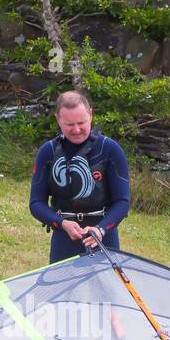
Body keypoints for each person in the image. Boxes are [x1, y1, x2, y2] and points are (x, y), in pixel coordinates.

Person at [29, 90, 131, 264]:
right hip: (64, 238)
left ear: (91, 115)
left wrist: (101, 229)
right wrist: (61, 224)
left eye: (81, 122)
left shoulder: (110, 149)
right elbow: (36, 203)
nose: (76, 130)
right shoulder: (48, 152)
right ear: (58, 120)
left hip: (102, 237)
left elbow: (122, 202)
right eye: (69, 124)